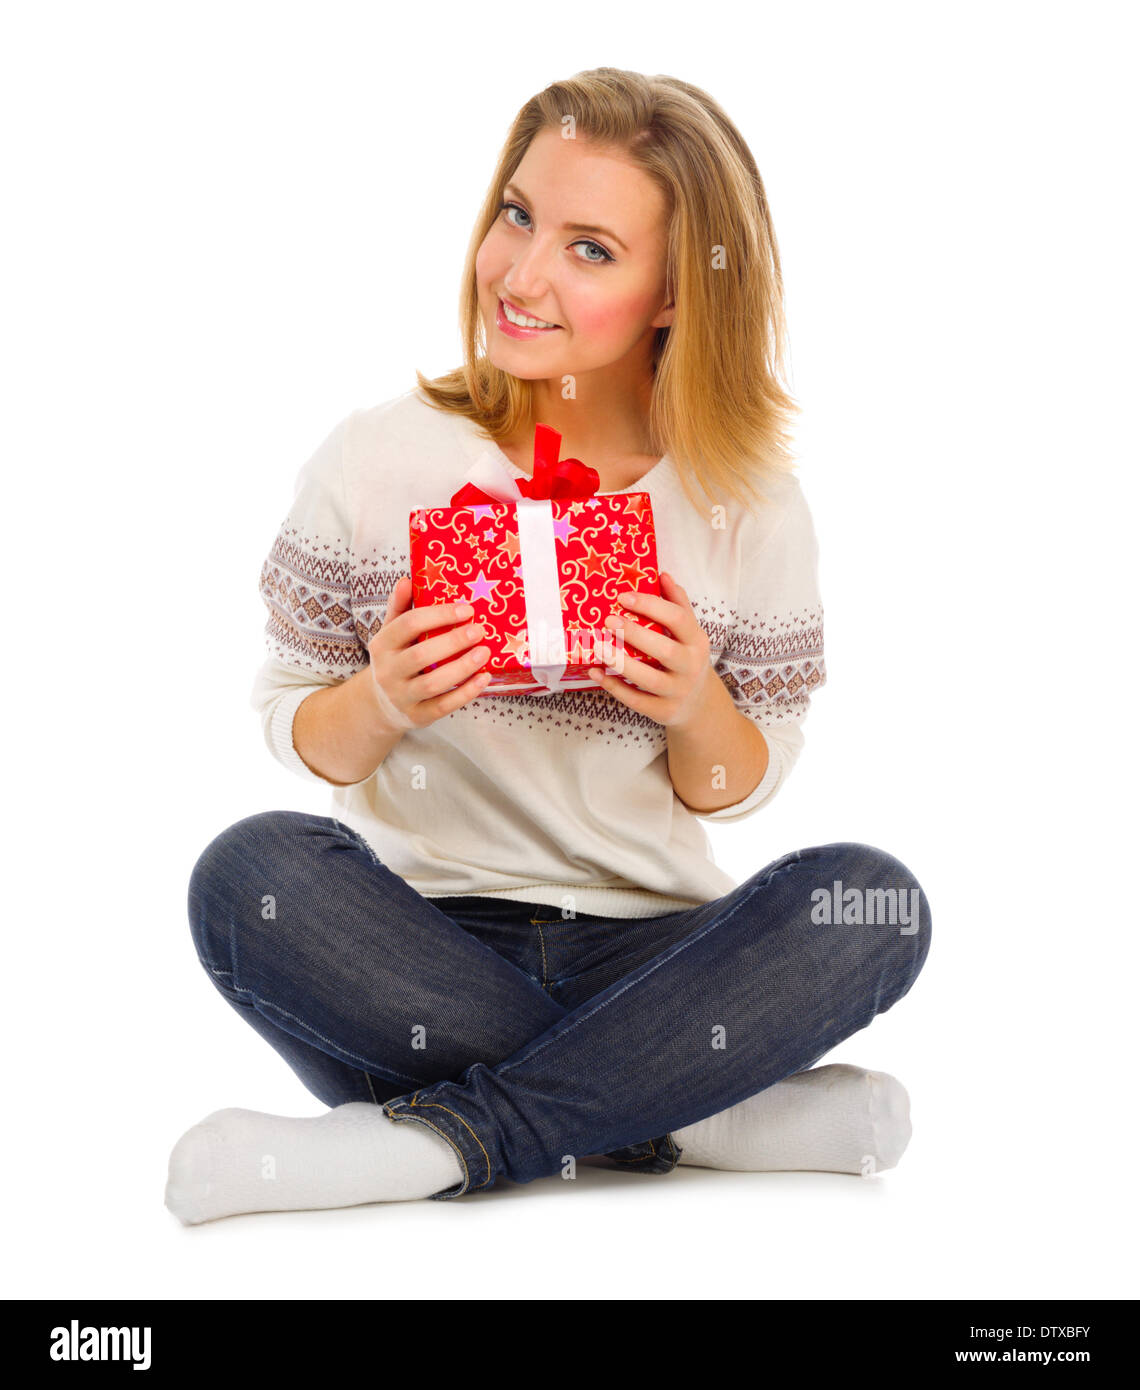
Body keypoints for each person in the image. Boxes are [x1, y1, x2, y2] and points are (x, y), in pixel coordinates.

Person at [165, 67, 931, 1224]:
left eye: (591, 249)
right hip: (417, 950)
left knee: (872, 902)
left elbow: (735, 786)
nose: (520, 275)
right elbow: (295, 723)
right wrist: (382, 698)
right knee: (245, 875)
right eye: (518, 214)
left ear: (676, 293)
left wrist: (693, 707)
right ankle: (690, 1108)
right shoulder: (380, 460)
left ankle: (436, 1140)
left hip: (662, 955)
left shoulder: (745, 504)